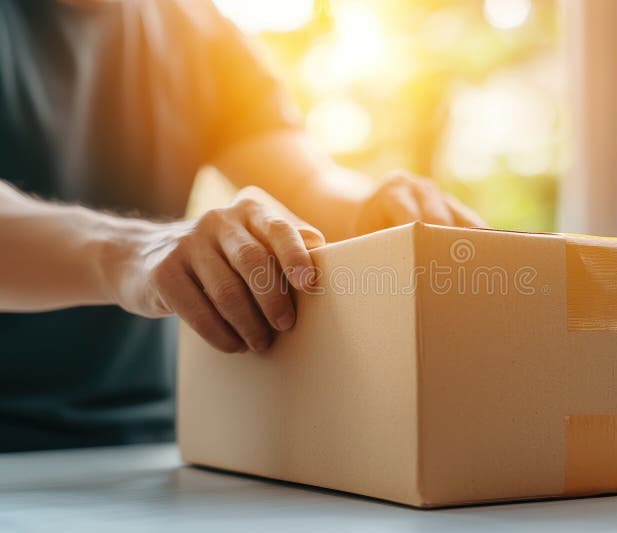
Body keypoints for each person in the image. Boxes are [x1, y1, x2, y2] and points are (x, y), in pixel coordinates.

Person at [0, 0, 483, 452]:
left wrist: (372, 211)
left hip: (155, 439)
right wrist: (133, 251)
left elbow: (303, 182)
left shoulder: (197, 28)